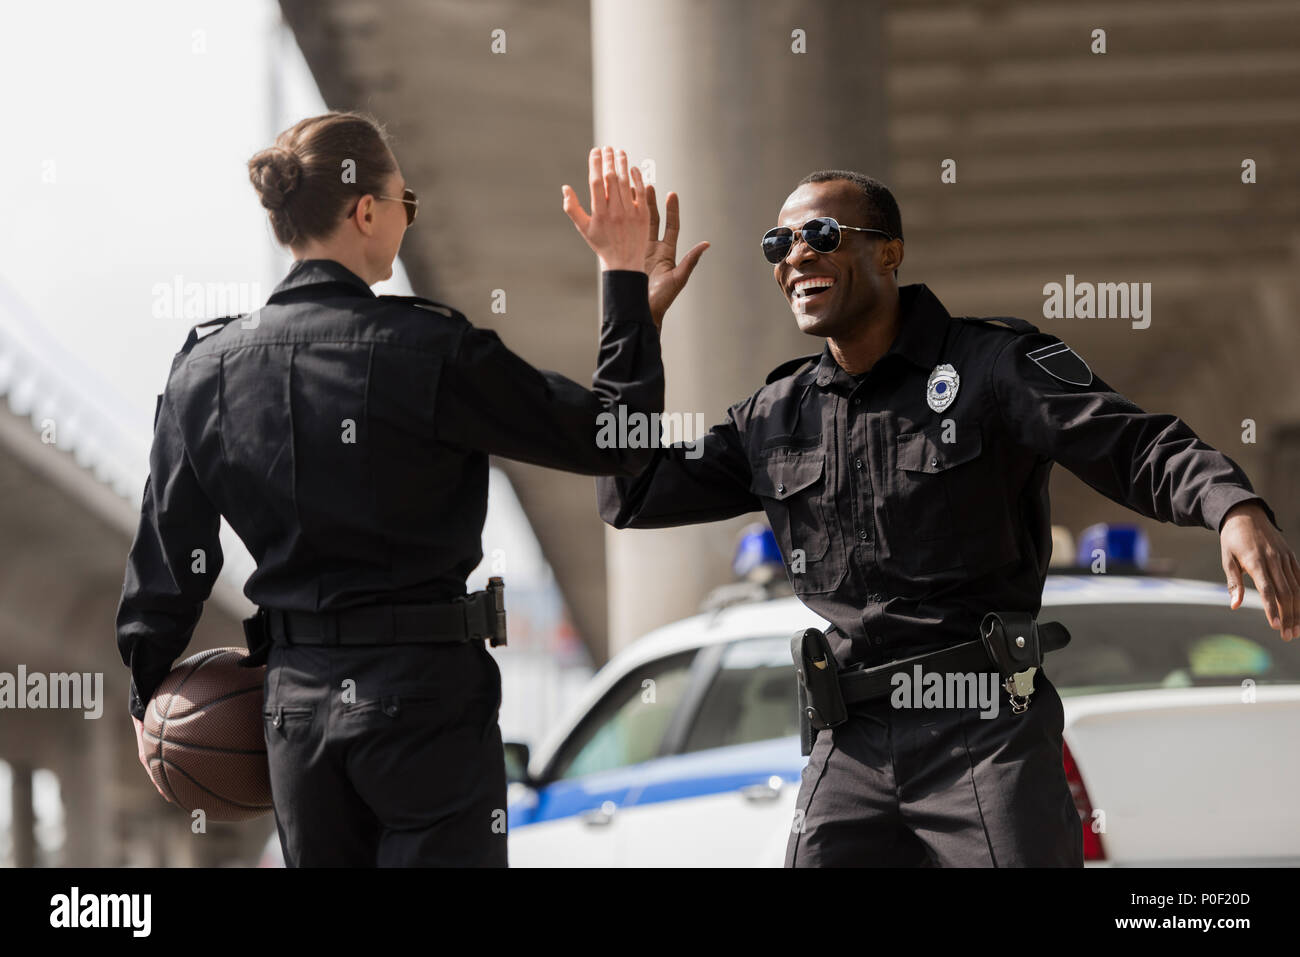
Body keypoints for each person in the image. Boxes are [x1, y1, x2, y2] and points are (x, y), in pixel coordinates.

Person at [597, 169, 1300, 867]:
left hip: (985, 729)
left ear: (889, 253)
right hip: (849, 742)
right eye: (779, 243)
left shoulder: (994, 366)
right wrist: (635, 317)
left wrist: (1230, 505)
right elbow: (633, 491)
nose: (796, 256)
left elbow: (1130, 440)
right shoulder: (777, 414)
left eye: (821, 235)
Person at [115, 111, 681, 866]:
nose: (408, 221)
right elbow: (621, 440)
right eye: (407, 204)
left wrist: (151, 696)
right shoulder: (434, 351)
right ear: (368, 211)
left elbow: (170, 561)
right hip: (426, 702)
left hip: (295, 713)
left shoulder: (204, 373)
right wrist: (626, 290)